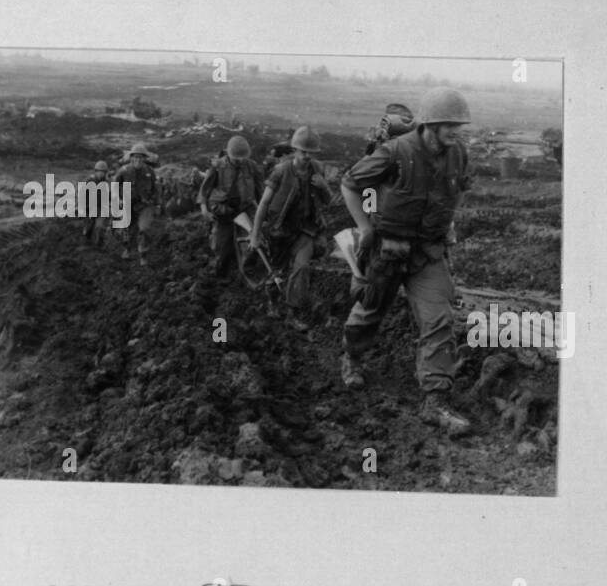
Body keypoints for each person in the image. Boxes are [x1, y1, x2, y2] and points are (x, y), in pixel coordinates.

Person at [338, 87, 474, 436]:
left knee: (440, 320)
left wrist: (449, 227)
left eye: (459, 125)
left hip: (428, 253)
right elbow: (351, 184)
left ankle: (435, 401)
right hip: (388, 249)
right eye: (449, 125)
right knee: (370, 310)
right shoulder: (396, 152)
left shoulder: (458, 154)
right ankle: (352, 359)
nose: (456, 131)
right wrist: (365, 228)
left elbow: (455, 191)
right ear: (429, 123)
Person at [249, 125, 332, 325]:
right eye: (303, 152)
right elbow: (264, 204)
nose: (307, 156)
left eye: (311, 153)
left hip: (305, 230)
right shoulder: (281, 171)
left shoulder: (317, 169)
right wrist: (255, 234)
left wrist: (323, 186)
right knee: (277, 271)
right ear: (295, 149)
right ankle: (273, 302)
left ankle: (294, 313)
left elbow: (327, 200)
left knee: (301, 267)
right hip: (280, 230)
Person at [198, 135, 264, 278]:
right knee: (223, 250)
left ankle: (247, 273)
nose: (240, 161)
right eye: (236, 158)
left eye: (243, 158)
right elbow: (205, 190)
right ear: (228, 154)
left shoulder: (251, 166)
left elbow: (261, 192)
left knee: (253, 245)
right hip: (224, 211)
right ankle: (221, 277)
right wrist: (204, 209)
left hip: (245, 209)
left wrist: (262, 213)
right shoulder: (217, 167)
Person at [112, 143, 162, 264]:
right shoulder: (124, 171)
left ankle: (143, 254)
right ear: (131, 157)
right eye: (135, 157)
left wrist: (158, 204)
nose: (138, 160)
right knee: (127, 229)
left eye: (141, 157)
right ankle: (127, 248)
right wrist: (117, 199)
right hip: (128, 204)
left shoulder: (150, 172)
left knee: (144, 228)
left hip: (146, 205)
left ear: (145, 159)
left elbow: (156, 189)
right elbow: (114, 186)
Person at [81, 160, 111, 245]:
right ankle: (86, 241)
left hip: (101, 209)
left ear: (105, 173)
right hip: (89, 208)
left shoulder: (108, 183)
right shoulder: (89, 181)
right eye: (98, 171)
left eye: (103, 172)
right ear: (95, 172)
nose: (100, 174)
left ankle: (98, 245)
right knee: (87, 229)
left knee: (100, 227)